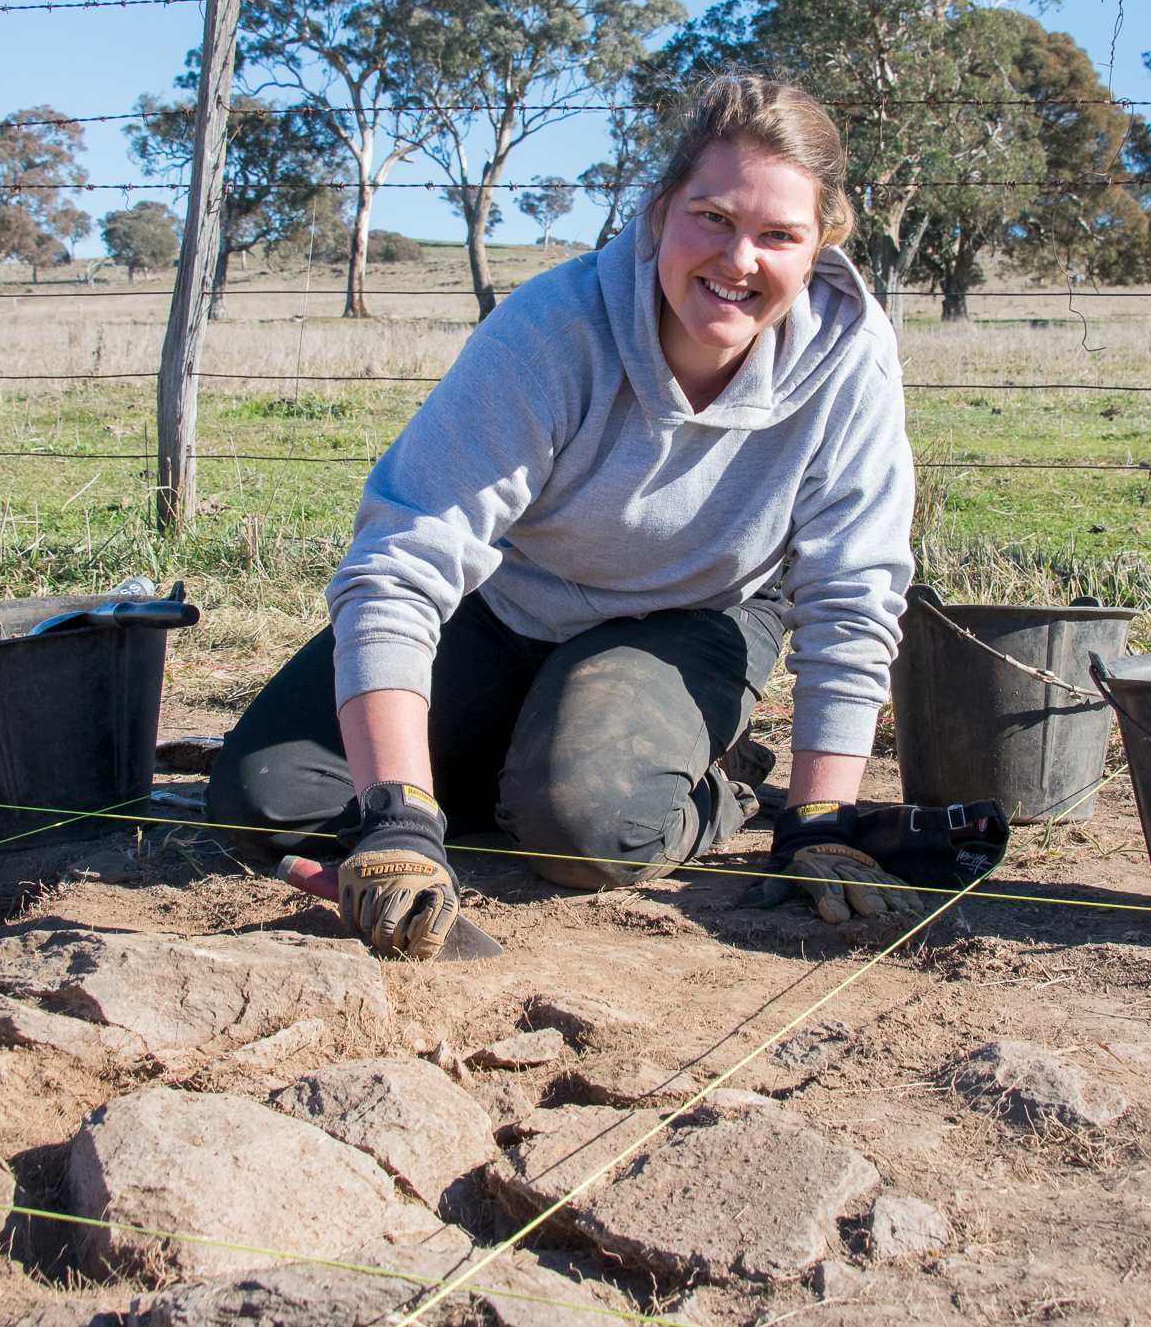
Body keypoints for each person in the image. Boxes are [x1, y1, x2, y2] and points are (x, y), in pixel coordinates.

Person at [206, 73, 920, 960]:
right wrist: (399, 817)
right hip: (516, 602)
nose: (739, 261)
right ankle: (520, 765)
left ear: (821, 244)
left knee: (583, 824)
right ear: (660, 211)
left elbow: (854, 586)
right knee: (268, 799)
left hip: (698, 613)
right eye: (712, 218)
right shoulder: (553, 329)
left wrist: (820, 820)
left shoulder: (850, 355)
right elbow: (403, 558)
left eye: (778, 235)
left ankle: (715, 786)